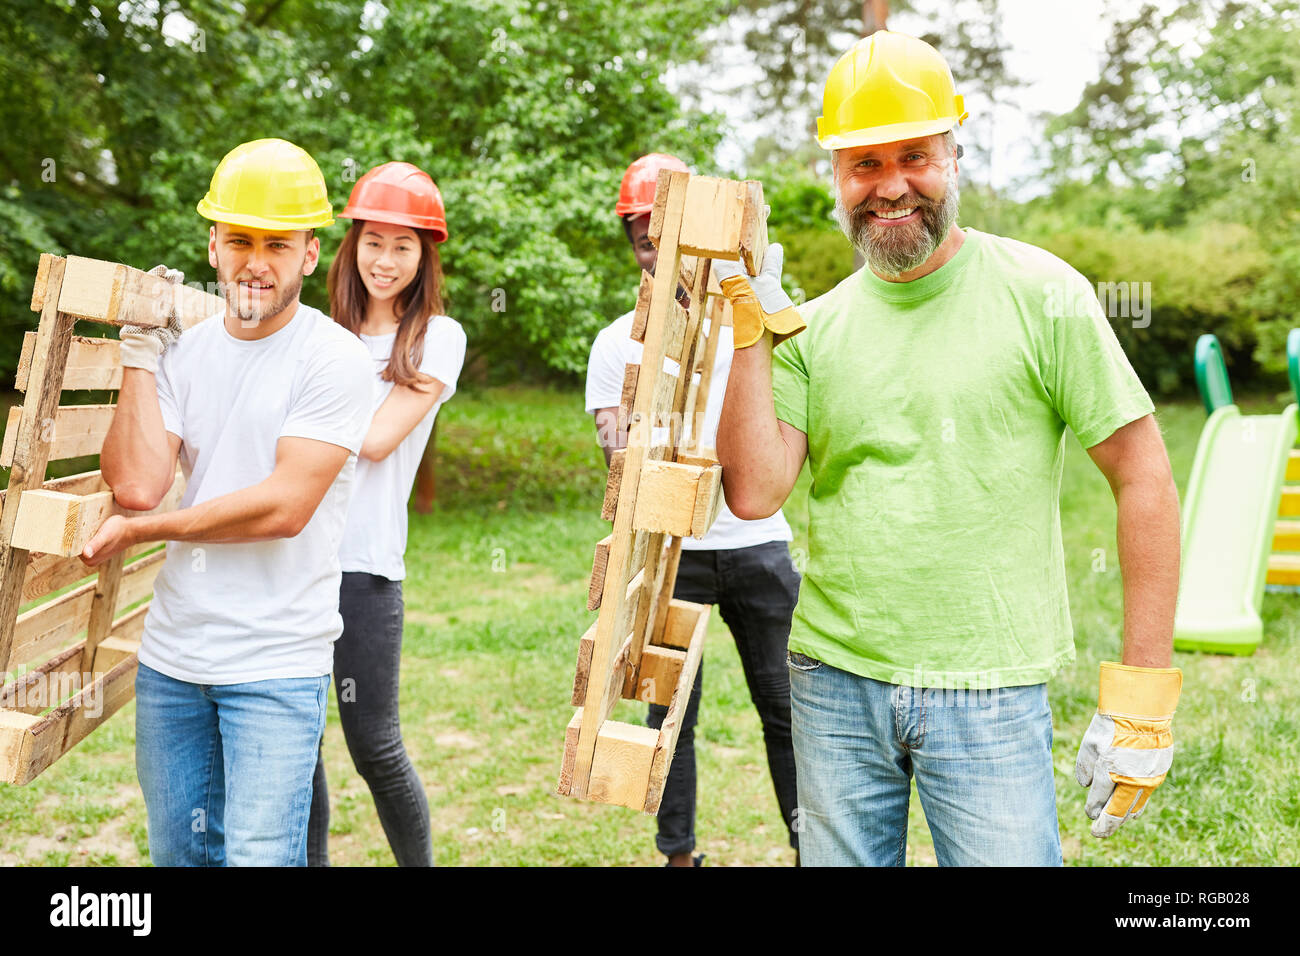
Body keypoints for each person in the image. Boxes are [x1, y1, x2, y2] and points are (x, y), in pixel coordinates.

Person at [715, 31, 1184, 866]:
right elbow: (754, 493)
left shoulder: (1046, 297)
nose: (891, 186)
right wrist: (750, 334)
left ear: (955, 155)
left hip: (990, 691)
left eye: (915, 157)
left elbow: (1143, 474)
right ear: (835, 175)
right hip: (833, 684)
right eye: (865, 164)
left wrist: (1144, 692)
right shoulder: (810, 328)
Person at [83, 138, 374, 866]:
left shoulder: (334, 358)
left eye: (277, 243)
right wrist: (140, 357)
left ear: (310, 254)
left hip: (277, 664)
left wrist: (146, 530)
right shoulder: (188, 351)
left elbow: (283, 508)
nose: (256, 261)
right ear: (212, 246)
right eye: (239, 239)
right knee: (178, 860)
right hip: (173, 662)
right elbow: (138, 483)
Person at [585, 153, 802, 867]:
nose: (656, 241)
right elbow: (619, 459)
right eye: (643, 231)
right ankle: (679, 857)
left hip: (759, 548)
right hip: (674, 559)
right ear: (633, 239)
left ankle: (814, 847)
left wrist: (758, 315)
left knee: (788, 716)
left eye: (668, 227)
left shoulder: (751, 323)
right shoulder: (618, 343)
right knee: (668, 719)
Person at [308, 161, 466, 867]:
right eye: (374, 241)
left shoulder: (439, 337)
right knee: (296, 743)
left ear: (424, 256)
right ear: (352, 246)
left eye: (404, 246)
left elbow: (373, 442)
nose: (386, 259)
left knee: (374, 745)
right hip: (292, 558)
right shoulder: (315, 332)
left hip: (365, 568)